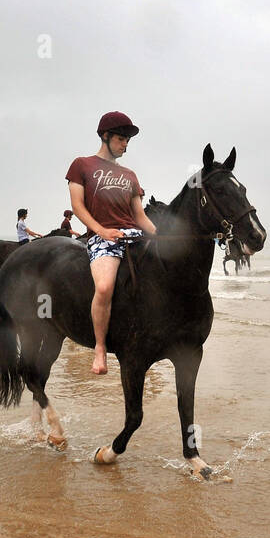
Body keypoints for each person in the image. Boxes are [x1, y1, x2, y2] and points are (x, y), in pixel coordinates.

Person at [66, 111, 158, 375]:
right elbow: (77, 206)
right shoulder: (81, 165)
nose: (125, 144)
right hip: (102, 237)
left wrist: (160, 236)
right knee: (105, 287)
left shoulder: (130, 174)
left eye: (127, 140)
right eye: (120, 139)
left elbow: (139, 216)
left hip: (134, 236)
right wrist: (101, 230)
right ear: (105, 136)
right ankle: (99, 347)